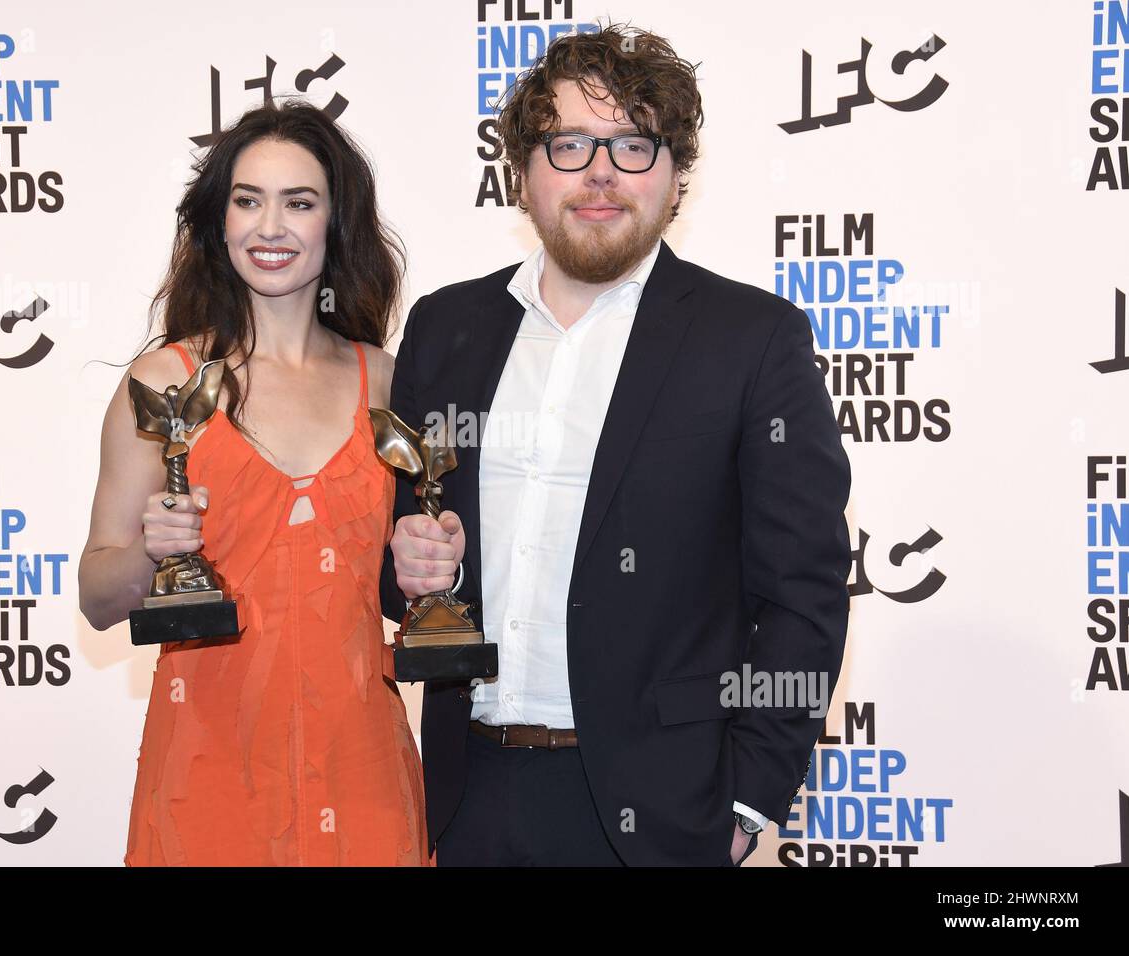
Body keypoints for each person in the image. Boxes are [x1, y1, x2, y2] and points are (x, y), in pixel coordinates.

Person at [380, 24, 852, 866]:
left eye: (633, 143)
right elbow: (397, 567)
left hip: (663, 812)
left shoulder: (751, 339)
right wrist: (418, 566)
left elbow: (804, 595)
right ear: (523, 173)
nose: (600, 172)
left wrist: (746, 803)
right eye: (569, 144)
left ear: (675, 177)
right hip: (464, 799)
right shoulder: (445, 329)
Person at [78, 100, 432, 866]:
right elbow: (98, 596)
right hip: (207, 781)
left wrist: (433, 562)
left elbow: (411, 585)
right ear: (220, 220)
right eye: (248, 200)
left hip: (364, 777)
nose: (269, 227)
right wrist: (149, 549)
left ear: (335, 224)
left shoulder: (387, 384)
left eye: (298, 202)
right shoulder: (163, 383)